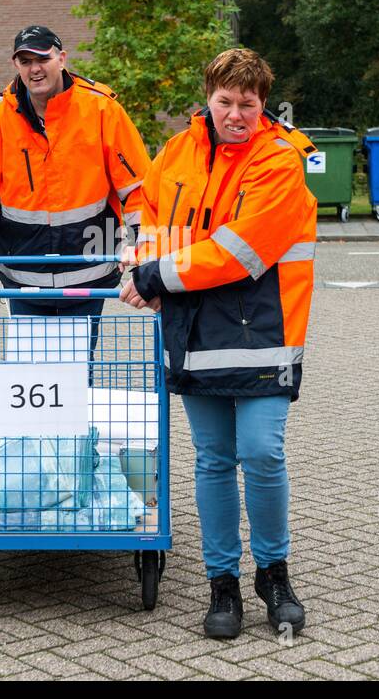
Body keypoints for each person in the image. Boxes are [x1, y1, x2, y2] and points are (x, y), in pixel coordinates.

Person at [120, 48, 317, 639]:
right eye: (226, 102)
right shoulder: (177, 152)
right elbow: (150, 215)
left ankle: (274, 573)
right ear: (208, 97)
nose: (236, 114)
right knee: (211, 459)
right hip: (191, 330)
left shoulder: (280, 163)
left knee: (261, 452)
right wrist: (141, 261)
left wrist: (156, 278)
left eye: (248, 105)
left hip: (264, 330)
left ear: (265, 105)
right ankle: (222, 583)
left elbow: (239, 250)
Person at [0, 25, 151, 334]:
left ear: (62, 59)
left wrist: (141, 243)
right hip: (23, 276)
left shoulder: (102, 110)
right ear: (15, 66)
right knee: (32, 369)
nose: (35, 68)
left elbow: (138, 188)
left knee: (79, 368)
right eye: (25, 61)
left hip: (89, 274)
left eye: (42, 58)